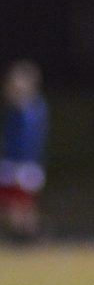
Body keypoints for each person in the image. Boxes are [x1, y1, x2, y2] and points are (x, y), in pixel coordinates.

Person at [0, 59, 48, 241]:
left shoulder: (33, 108)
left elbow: (30, 139)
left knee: (22, 203)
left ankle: (28, 237)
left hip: (25, 162)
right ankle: (24, 235)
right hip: (13, 160)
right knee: (16, 203)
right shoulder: (17, 108)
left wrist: (24, 162)